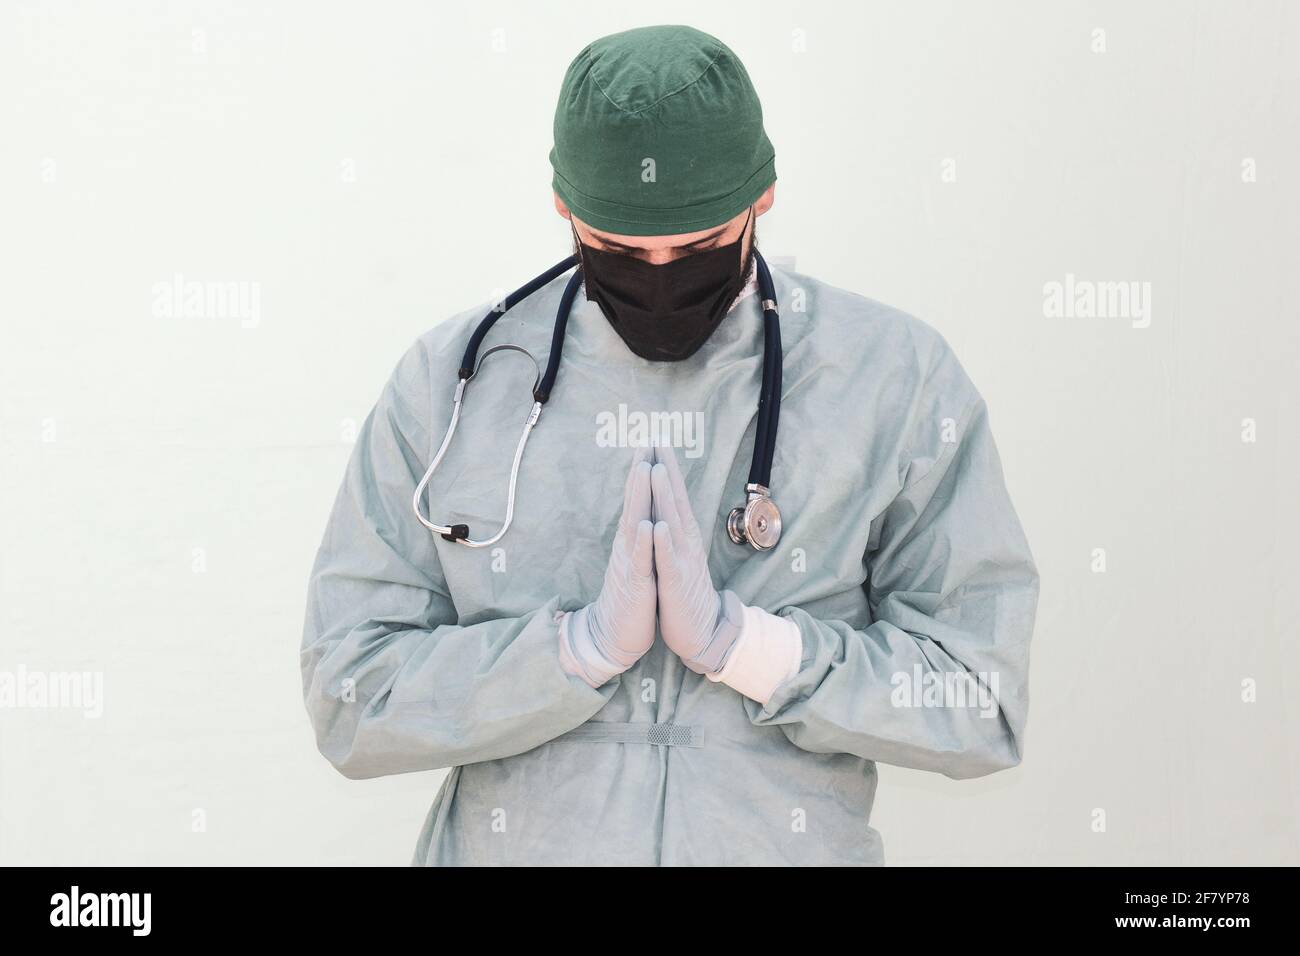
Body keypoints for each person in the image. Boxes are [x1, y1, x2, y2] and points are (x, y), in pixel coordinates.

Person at [301, 24, 1038, 866]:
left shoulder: (891, 378)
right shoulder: (453, 387)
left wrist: (753, 650)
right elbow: (349, 696)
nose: (659, 275)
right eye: (619, 250)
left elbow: (982, 701)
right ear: (565, 207)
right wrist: (570, 654)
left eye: (697, 248)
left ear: (761, 198)